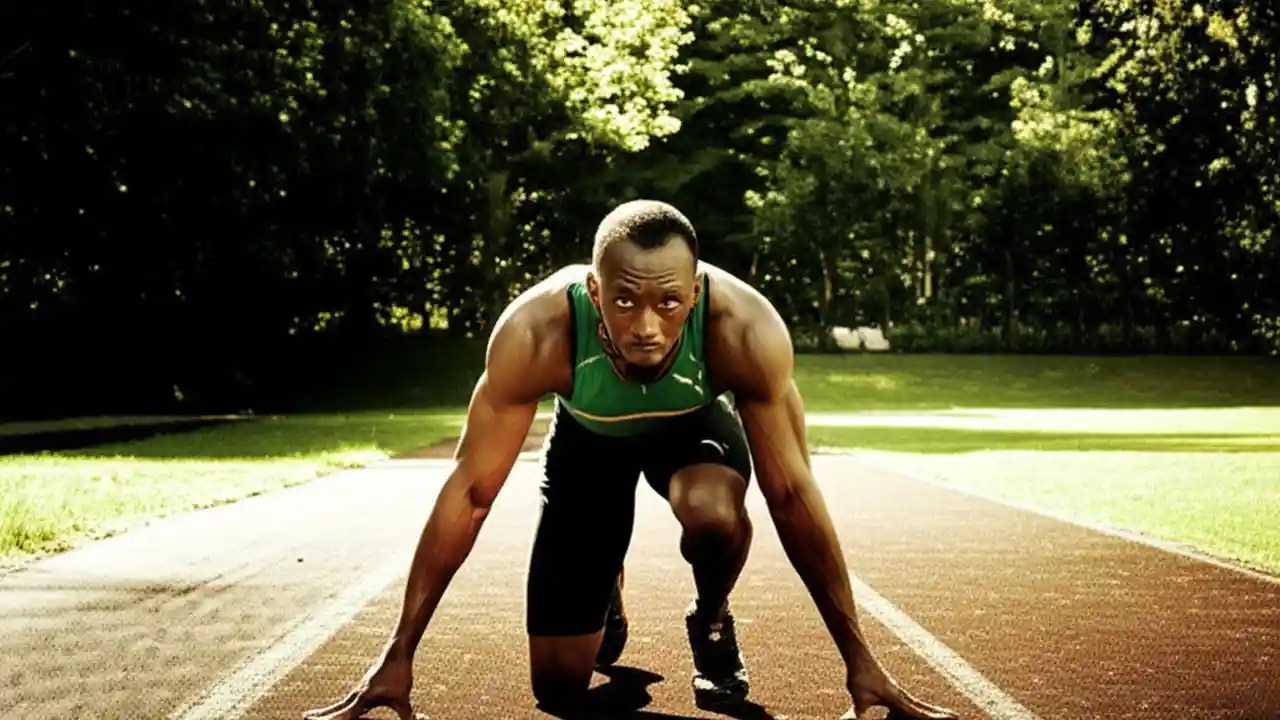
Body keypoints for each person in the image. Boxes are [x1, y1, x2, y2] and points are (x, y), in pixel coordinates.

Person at [303, 200, 958, 720]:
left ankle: (711, 618)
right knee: (559, 689)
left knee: (712, 514)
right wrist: (399, 652)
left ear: (695, 293)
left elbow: (789, 495)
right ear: (594, 290)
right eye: (624, 301)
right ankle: (605, 592)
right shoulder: (536, 334)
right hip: (589, 444)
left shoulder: (744, 331)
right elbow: (472, 492)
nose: (646, 325)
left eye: (667, 303)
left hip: (691, 431)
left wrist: (860, 658)